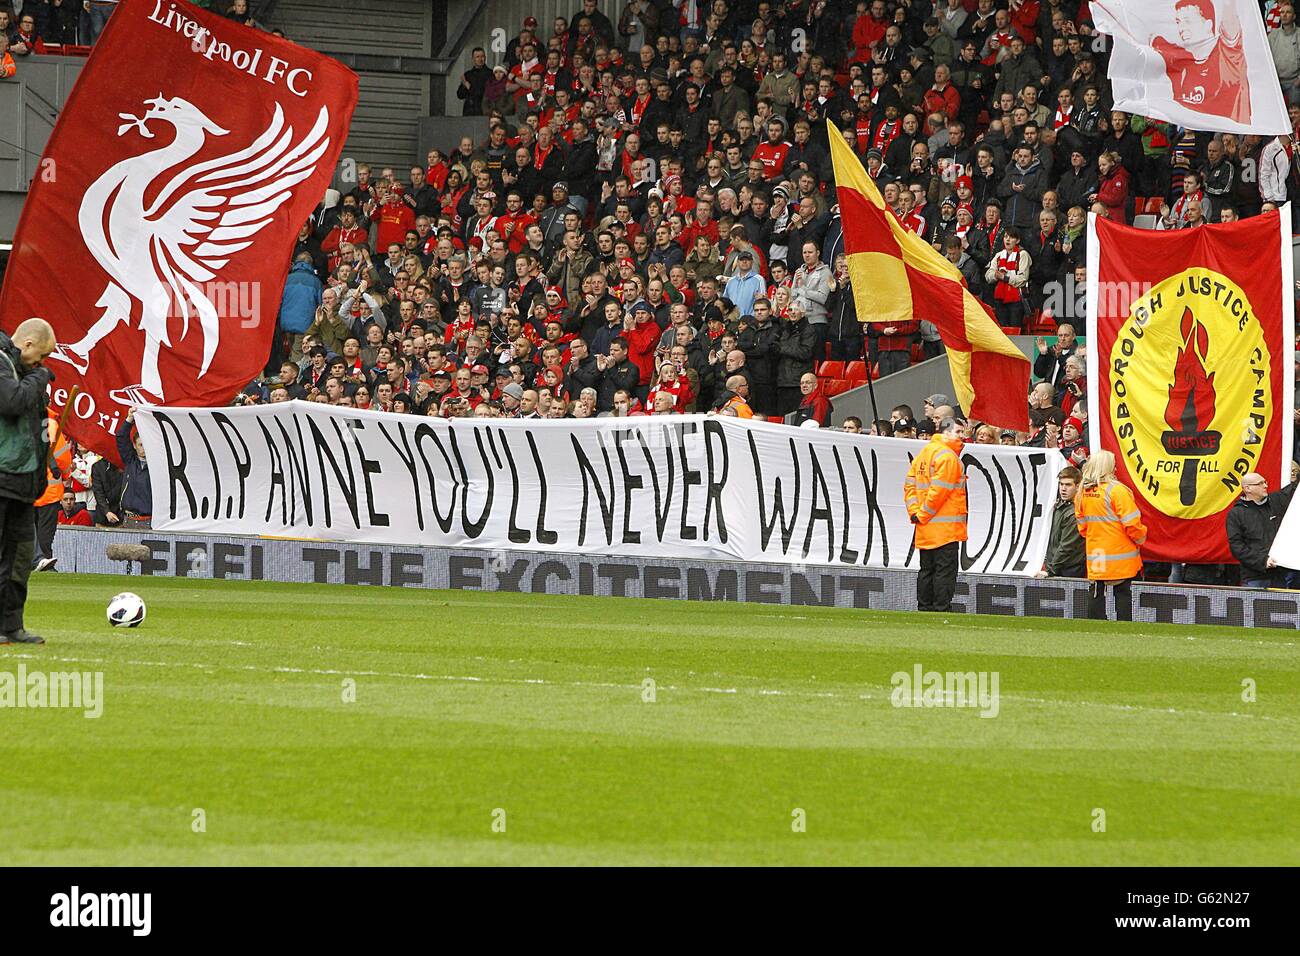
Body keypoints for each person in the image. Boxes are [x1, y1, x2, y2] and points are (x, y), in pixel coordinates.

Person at [0, 317, 56, 645]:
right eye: (41, 357)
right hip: (2, 478)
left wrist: (38, 482)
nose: (43, 364)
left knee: (20, 560)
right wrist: (39, 376)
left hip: (23, 484)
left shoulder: (27, 374)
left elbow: (38, 434)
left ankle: (11, 626)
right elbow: (11, 402)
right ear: (29, 344)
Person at [903, 416, 968, 612]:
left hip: (925, 527)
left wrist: (915, 513)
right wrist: (923, 514)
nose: (962, 436)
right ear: (946, 432)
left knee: (926, 570)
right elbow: (939, 492)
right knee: (944, 572)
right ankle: (941, 609)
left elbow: (910, 485)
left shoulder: (924, 453)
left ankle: (924, 608)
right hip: (944, 529)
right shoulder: (947, 456)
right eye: (958, 432)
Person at [1075, 451, 1147, 621]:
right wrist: (1141, 537)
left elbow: (1082, 527)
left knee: (1096, 594)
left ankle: (1095, 630)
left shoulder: (1082, 492)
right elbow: (1132, 525)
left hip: (1096, 555)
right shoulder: (1118, 491)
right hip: (1121, 557)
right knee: (1122, 596)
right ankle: (1124, 632)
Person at [1225, 472, 1295, 588]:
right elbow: (1237, 547)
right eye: (1260, 483)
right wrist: (1263, 561)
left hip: (1280, 575)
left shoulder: (1275, 502)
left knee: (1281, 606)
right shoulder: (1236, 513)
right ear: (1248, 488)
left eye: (1265, 482)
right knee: (1256, 607)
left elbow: (1292, 490)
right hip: (1254, 577)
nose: (1265, 486)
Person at [1036, 466, 1086, 579]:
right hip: (1056, 567)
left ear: (1078, 487)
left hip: (1069, 571)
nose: (1063, 488)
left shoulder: (1075, 512)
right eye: (1061, 484)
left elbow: (1067, 547)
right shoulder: (1059, 506)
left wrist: (1050, 570)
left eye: (1068, 485)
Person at [115, 410, 153, 527]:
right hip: (128, 519)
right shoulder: (130, 461)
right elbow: (121, 437)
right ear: (134, 446)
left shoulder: (156, 466)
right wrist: (129, 419)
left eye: (147, 444)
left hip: (148, 520)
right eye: (141, 445)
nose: (144, 449)